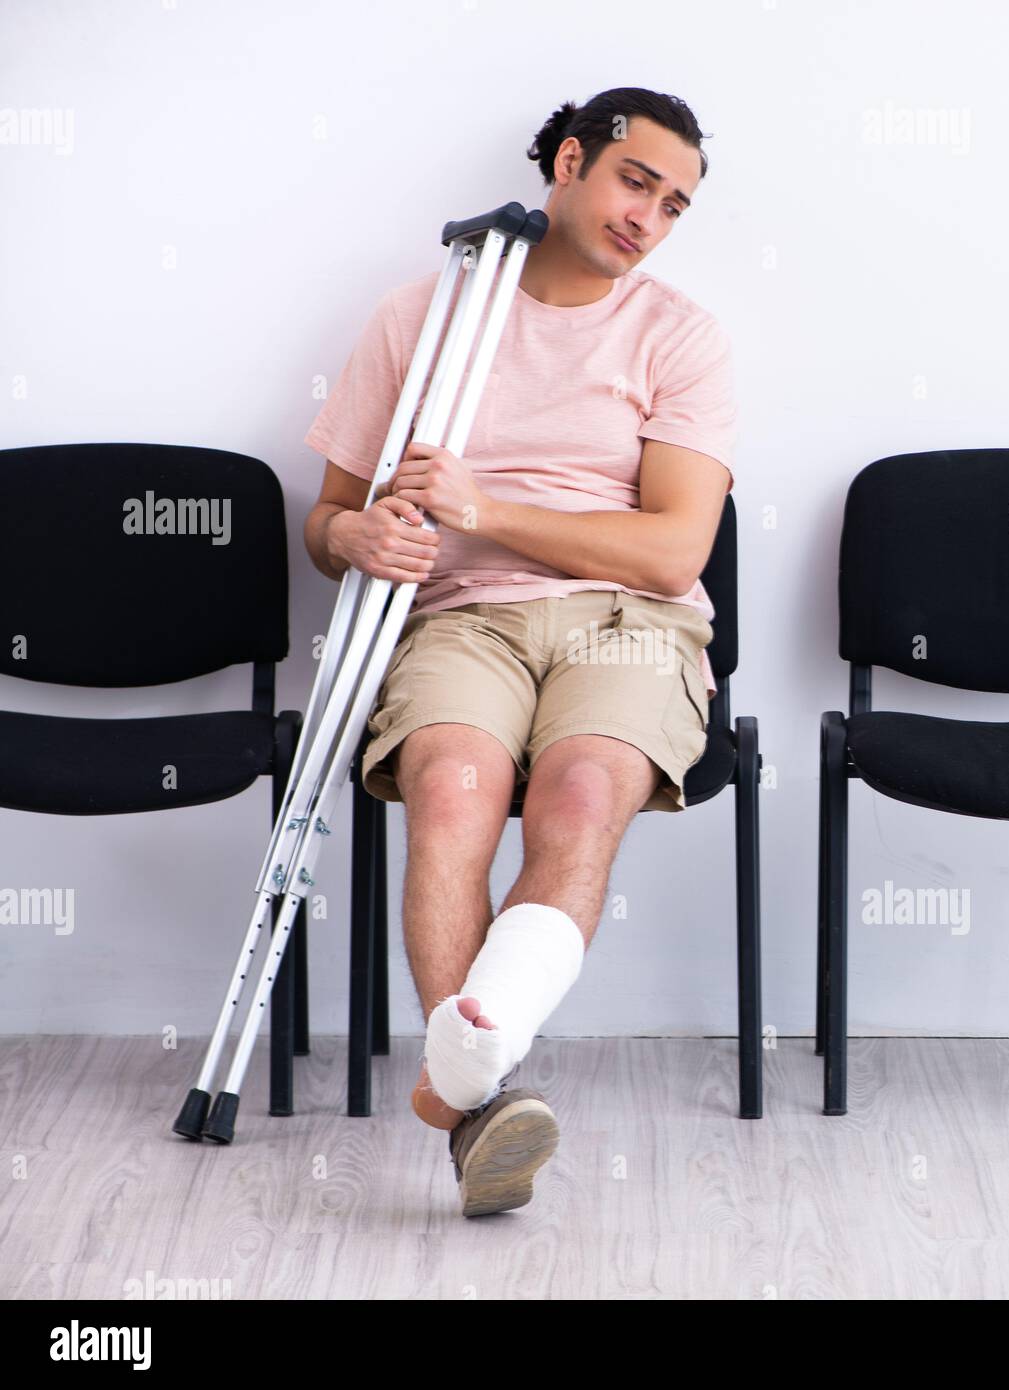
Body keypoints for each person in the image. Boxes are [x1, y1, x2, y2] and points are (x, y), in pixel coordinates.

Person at [303, 87, 738, 1217]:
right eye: (635, 181)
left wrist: (484, 506)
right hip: (462, 617)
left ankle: (457, 1085)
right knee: (450, 789)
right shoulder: (425, 315)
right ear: (570, 162)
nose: (649, 216)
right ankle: (486, 1108)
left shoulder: (679, 335)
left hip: (628, 622)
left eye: (676, 204)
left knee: (580, 792)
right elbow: (326, 522)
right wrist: (362, 533)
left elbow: (673, 547)